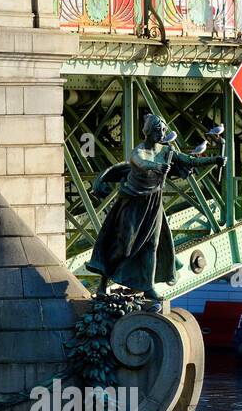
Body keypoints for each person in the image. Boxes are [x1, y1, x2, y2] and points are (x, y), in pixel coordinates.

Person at [87, 114, 226, 301]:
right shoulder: (140, 150)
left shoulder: (167, 150)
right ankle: (103, 282)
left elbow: (190, 161)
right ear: (148, 131)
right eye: (158, 129)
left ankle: (148, 287)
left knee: (152, 245)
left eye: (163, 129)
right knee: (124, 247)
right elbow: (141, 163)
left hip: (153, 204)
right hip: (133, 204)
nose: (162, 133)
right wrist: (157, 167)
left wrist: (214, 160)